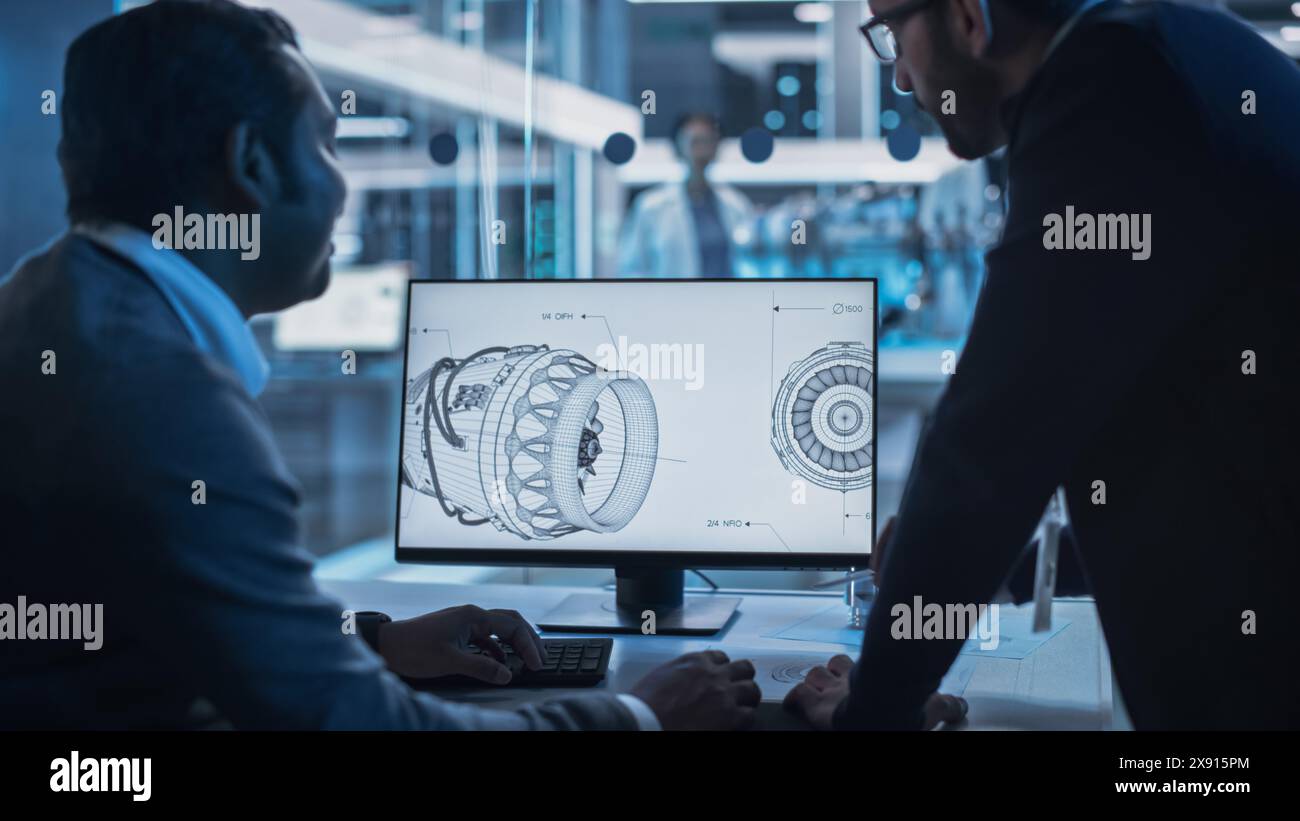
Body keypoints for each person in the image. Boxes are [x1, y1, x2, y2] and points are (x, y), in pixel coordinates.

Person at [0, 0, 759, 731]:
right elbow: (353, 724)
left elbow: (182, 632)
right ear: (251, 163)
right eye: (327, 144)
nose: (342, 186)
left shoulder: (45, 307)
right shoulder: (164, 399)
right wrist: (640, 715)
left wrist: (376, 642)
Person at [787, 0, 1300, 730]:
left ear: (968, 17)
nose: (898, 76)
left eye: (894, 33)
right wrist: (1018, 569)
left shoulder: (1108, 87)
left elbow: (987, 447)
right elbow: (1191, 439)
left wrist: (869, 715)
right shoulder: (1178, 45)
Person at [618, 113, 754, 277]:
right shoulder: (651, 207)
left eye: (708, 142)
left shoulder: (735, 205)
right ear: (678, 147)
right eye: (694, 142)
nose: (701, 151)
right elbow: (632, 268)